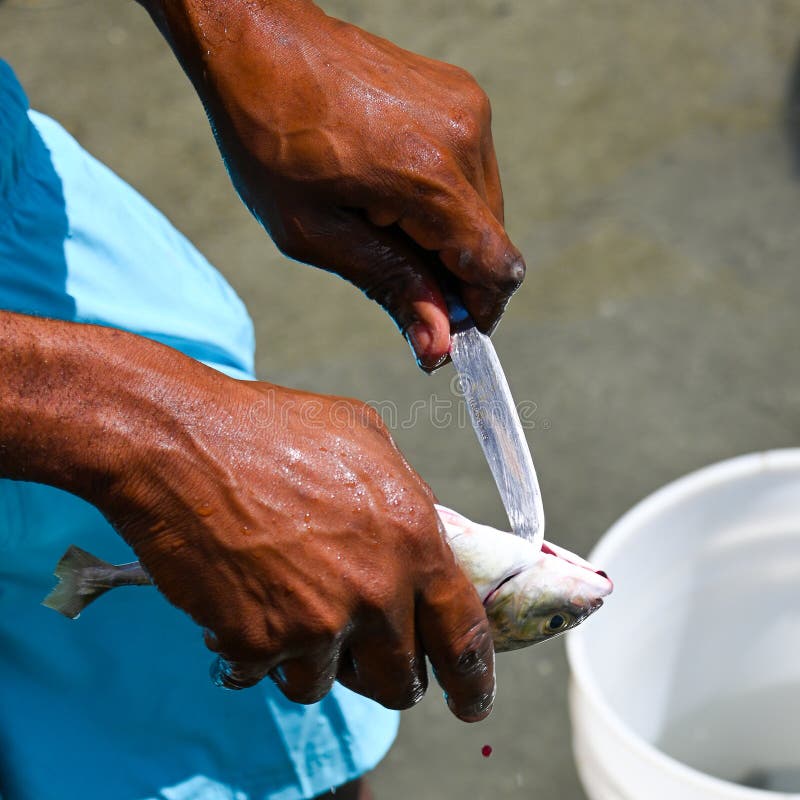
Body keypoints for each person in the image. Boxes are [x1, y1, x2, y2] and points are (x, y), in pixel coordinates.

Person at [0, 0, 525, 797]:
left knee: (246, 734)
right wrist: (143, 431)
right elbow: (148, 429)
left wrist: (243, 23)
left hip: (28, 221)